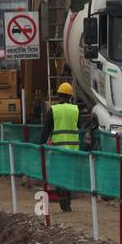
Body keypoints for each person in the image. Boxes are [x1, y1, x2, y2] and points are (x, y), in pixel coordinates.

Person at [39, 82, 80, 211]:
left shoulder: (53, 110)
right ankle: (67, 199)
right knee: (69, 175)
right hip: (73, 149)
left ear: (58, 95)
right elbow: (78, 126)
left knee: (56, 174)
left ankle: (61, 193)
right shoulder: (76, 109)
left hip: (57, 149)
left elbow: (46, 129)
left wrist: (41, 144)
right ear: (70, 96)